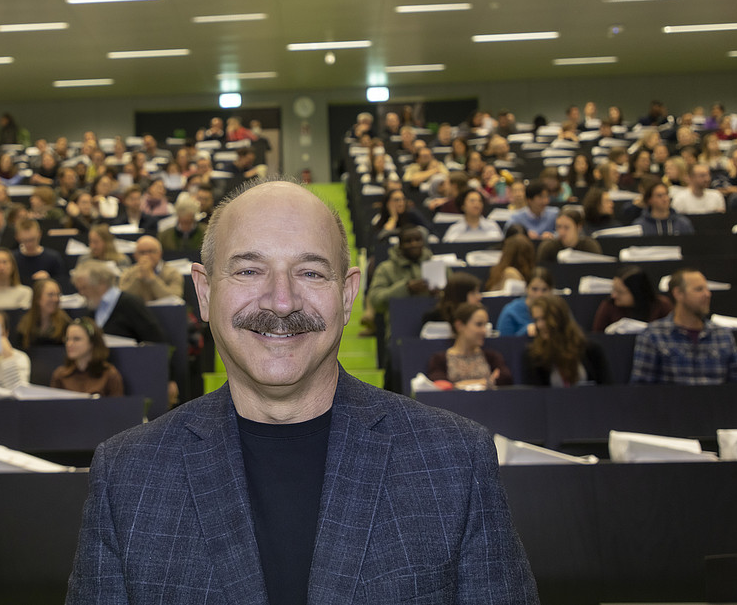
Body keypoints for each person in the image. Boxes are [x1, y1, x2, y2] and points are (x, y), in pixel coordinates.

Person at [66, 180, 537, 603]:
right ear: (205, 292)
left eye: (310, 273)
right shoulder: (125, 475)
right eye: (249, 271)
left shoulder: (455, 459)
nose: (282, 300)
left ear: (348, 295)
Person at [630, 269, 737, 385]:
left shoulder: (722, 335)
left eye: (707, 289)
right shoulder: (653, 335)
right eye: (699, 289)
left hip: (715, 402)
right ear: (678, 294)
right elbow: (641, 391)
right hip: (671, 402)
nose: (707, 294)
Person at [523, 294, 611, 386]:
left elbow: (607, 391)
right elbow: (534, 396)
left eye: (544, 318)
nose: (540, 325)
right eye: (536, 320)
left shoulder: (591, 350)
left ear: (560, 318)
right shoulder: (533, 356)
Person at [72, 260, 163, 343]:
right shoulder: (92, 308)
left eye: (84, 288)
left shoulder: (131, 304)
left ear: (102, 284)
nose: (81, 293)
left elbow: (156, 342)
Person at [426, 302, 513, 389]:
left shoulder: (492, 357)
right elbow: (440, 385)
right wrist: (485, 382)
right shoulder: (439, 360)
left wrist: (459, 385)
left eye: (485, 325)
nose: (484, 330)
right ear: (459, 325)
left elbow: (505, 378)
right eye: (479, 324)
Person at [51, 317, 125, 396]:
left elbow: (118, 407)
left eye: (76, 339)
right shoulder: (60, 375)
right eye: (67, 339)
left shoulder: (110, 375)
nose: (69, 344)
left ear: (92, 342)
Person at [591, 265, 673, 333]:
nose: (613, 295)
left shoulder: (661, 305)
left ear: (637, 292)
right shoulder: (609, 305)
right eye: (613, 289)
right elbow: (598, 336)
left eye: (620, 292)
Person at [119, 234, 184, 302]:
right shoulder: (128, 273)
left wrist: (152, 279)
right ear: (135, 256)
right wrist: (137, 277)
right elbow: (122, 299)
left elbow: (175, 298)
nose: (147, 256)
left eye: (151, 251)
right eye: (142, 252)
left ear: (160, 253)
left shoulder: (173, 273)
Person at [495, 267, 553, 337]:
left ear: (551, 290)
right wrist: (525, 332)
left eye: (544, 290)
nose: (539, 295)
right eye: (534, 289)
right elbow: (504, 343)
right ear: (527, 289)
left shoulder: (558, 310)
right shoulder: (510, 312)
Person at [12, 217, 69, 288]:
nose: (29, 244)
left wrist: (49, 279)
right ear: (17, 238)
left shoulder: (53, 257)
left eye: (32, 239)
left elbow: (64, 282)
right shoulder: (13, 258)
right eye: (25, 240)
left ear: (39, 234)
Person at [536, 207, 602, 264]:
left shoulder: (589, 246)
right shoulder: (548, 247)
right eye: (558, 227)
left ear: (579, 227)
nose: (561, 232)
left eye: (566, 227)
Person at [17, 277, 71, 347]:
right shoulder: (24, 325)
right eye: (50, 295)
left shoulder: (65, 324)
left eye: (58, 295)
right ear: (37, 298)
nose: (56, 299)